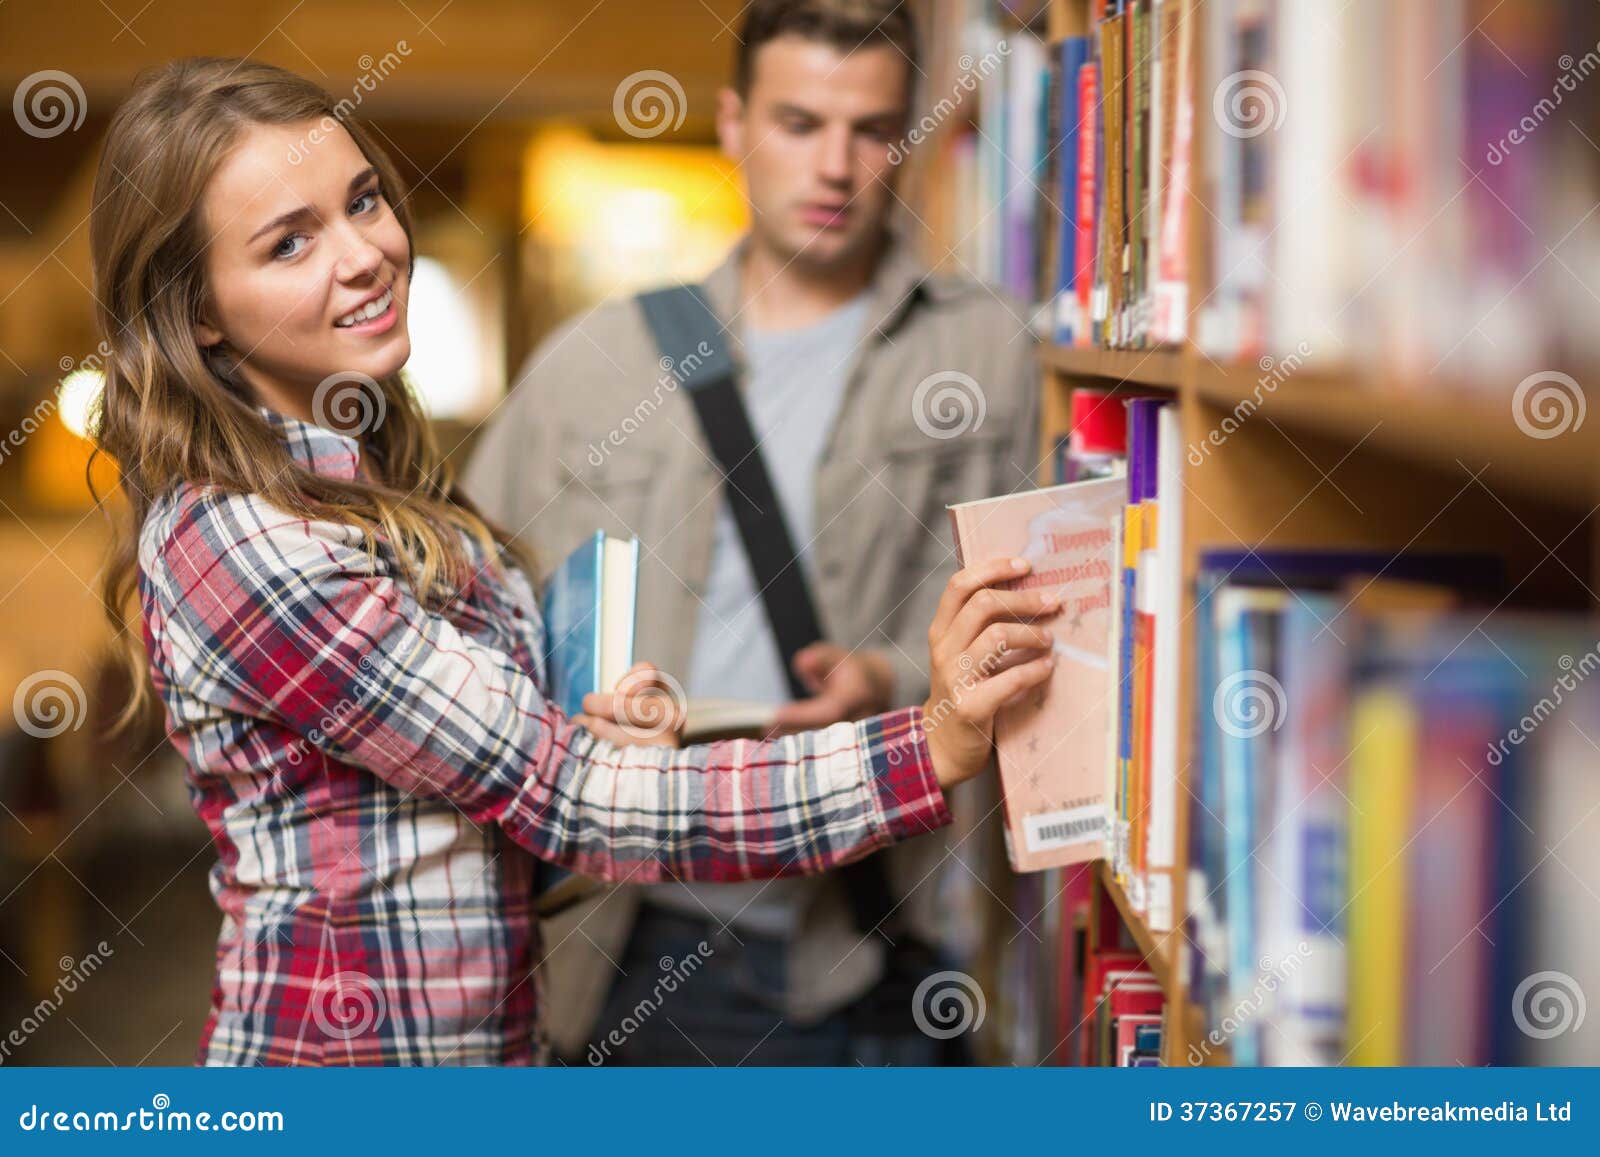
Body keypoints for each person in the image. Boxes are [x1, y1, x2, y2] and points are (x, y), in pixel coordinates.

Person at [86, 56, 1059, 1067]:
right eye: (289, 243)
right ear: (197, 308)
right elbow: (565, 796)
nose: (365, 254)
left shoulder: (374, 477)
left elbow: (487, 811)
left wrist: (592, 733)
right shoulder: (244, 541)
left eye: (362, 201)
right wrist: (928, 746)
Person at [464, 0, 1040, 1064]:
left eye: (871, 130)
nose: (835, 164)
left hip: (864, 931)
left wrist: (888, 676)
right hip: (637, 931)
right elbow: (467, 609)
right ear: (733, 124)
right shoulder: (599, 358)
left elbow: (1031, 607)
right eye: (797, 122)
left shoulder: (985, 351)